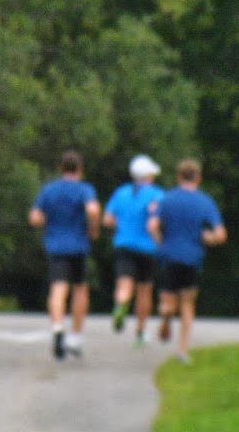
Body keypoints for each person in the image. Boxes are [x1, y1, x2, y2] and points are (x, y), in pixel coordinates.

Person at [147, 158, 227, 364]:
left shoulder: (166, 199)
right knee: (187, 303)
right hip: (192, 258)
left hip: (169, 255)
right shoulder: (205, 202)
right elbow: (220, 235)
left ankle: (165, 318)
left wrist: (160, 244)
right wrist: (205, 237)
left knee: (167, 300)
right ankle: (182, 351)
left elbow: (152, 225)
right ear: (198, 178)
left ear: (178, 177)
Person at [28, 150, 100, 361]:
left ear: (61, 169)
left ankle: (58, 327)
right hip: (78, 245)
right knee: (80, 289)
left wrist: (47, 221)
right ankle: (76, 336)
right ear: (80, 169)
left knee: (58, 288)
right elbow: (93, 210)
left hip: (56, 246)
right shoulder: (84, 189)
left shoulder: (49, 190)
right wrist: (93, 228)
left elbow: (34, 218)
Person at [102, 154, 164, 346]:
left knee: (124, 285)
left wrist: (122, 224)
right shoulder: (157, 194)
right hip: (147, 248)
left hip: (123, 244)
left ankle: (120, 306)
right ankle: (140, 331)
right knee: (144, 290)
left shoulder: (121, 193)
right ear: (148, 176)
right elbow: (155, 221)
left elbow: (107, 220)